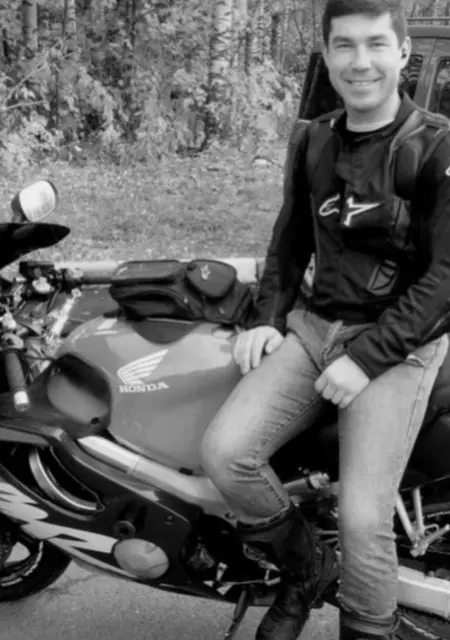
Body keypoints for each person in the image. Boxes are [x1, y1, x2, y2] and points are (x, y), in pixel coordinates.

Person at [200, 1, 450, 639]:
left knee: (364, 518)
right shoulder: (313, 138)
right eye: (345, 46)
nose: (360, 61)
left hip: (399, 344)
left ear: (402, 53)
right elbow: (289, 240)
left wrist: (365, 360)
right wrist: (268, 316)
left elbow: (445, 280)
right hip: (315, 328)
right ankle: (305, 567)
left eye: (376, 44)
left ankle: (366, 628)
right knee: (226, 454)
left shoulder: (437, 144)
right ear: (328, 56)